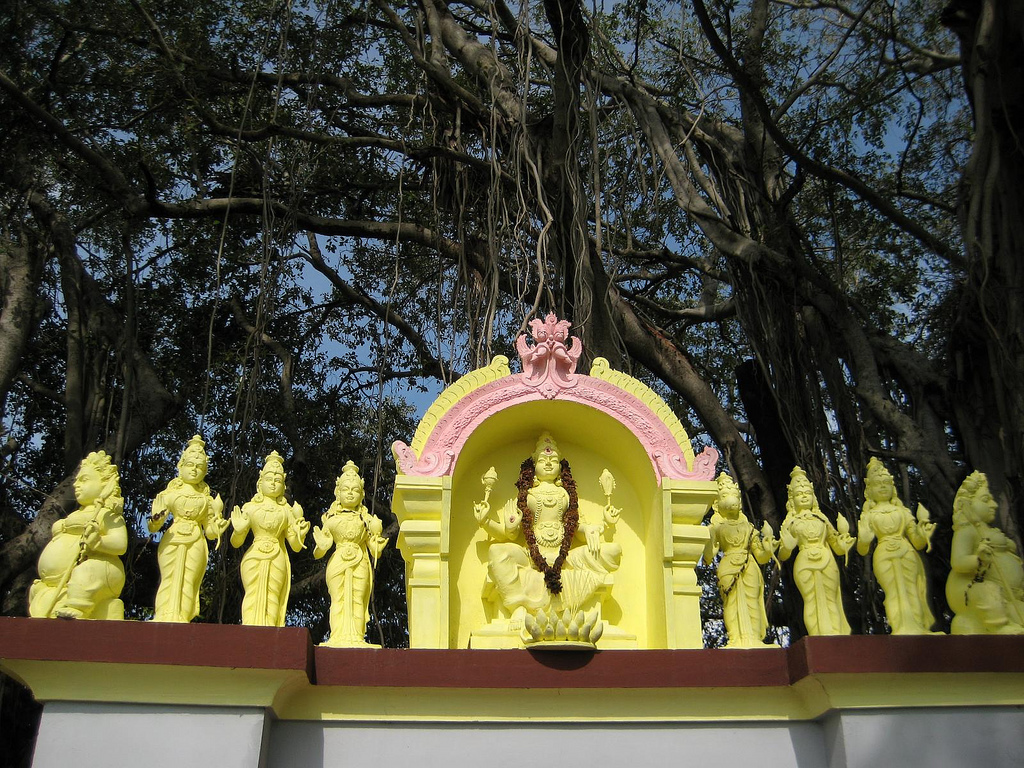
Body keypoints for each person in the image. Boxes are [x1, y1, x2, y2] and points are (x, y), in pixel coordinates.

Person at [473, 433, 621, 624]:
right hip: (530, 557)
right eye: (543, 460)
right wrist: (485, 522)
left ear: (561, 468)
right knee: (496, 551)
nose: (549, 463)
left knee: (613, 550)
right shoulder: (527, 495)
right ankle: (518, 606)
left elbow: (577, 528)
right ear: (534, 467)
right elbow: (509, 534)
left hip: (566, 558)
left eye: (553, 460)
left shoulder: (567, 496)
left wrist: (601, 526)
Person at [29, 450, 127, 620]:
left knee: (86, 572)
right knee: (38, 591)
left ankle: (78, 607)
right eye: (76, 481)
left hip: (101, 573)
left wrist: (98, 542)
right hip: (57, 581)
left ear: (104, 484)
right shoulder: (75, 514)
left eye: (84, 480)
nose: (76, 485)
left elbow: (120, 544)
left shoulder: (107, 514)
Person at [148, 435, 229, 623]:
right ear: (180, 466)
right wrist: (156, 519)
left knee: (189, 581)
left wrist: (217, 527)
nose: (194, 469)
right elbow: (154, 527)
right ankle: (163, 614)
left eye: (199, 467)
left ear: (205, 471)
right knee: (169, 577)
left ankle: (182, 616)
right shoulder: (169, 494)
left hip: (195, 540)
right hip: (173, 537)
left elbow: (209, 531)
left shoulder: (207, 499)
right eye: (190, 465)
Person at [856, 458, 936, 634]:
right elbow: (863, 550)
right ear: (869, 489)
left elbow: (917, 542)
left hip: (906, 550)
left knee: (911, 589)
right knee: (892, 591)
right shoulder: (869, 515)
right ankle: (900, 627)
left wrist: (923, 534)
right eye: (878, 484)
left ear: (893, 486)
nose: (883, 487)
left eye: (886, 483)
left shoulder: (902, 512)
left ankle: (918, 627)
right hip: (883, 552)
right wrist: (864, 539)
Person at [313, 461, 388, 647]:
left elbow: (373, 547)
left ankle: (357, 637)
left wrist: (377, 542)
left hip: (360, 560)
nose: (350, 493)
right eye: (345, 489)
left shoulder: (366, 519)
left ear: (361, 494)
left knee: (358, 599)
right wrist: (321, 546)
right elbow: (319, 551)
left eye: (355, 490)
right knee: (338, 598)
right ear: (337, 493)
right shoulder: (330, 518)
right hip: (338, 560)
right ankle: (337, 637)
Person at [230, 451, 309, 626]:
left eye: (278, 480)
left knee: (273, 595)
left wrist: (299, 534)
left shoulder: (286, 511)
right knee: (252, 592)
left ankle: (271, 631)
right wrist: (239, 531)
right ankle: (250, 627)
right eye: (269, 479)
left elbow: (295, 546)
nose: (273, 484)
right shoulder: (250, 507)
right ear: (260, 483)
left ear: (283, 485)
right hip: (254, 555)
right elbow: (236, 542)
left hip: (277, 556)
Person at [778, 466, 854, 635]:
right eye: (799, 494)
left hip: (826, 558)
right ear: (792, 499)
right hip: (804, 561)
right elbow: (783, 554)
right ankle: (817, 635)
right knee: (811, 599)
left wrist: (844, 543)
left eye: (806, 493)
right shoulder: (790, 522)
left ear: (813, 496)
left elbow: (836, 545)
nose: (804, 496)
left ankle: (835, 634)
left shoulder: (822, 518)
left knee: (830, 598)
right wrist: (787, 546)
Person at [704, 472, 777, 647]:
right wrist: (705, 538)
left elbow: (760, 556)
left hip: (748, 565)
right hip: (728, 565)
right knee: (731, 603)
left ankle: (755, 639)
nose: (731, 500)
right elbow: (708, 557)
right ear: (716, 503)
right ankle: (735, 637)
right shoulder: (716, 527)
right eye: (725, 496)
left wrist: (768, 548)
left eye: (734, 495)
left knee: (751, 601)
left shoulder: (748, 527)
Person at [946, 471, 1024, 634]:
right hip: (971, 589)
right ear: (967, 504)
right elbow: (958, 562)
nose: (994, 505)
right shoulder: (967, 531)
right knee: (988, 592)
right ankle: (999, 626)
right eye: (985, 500)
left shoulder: (989, 530)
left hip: (1008, 596)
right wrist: (978, 559)